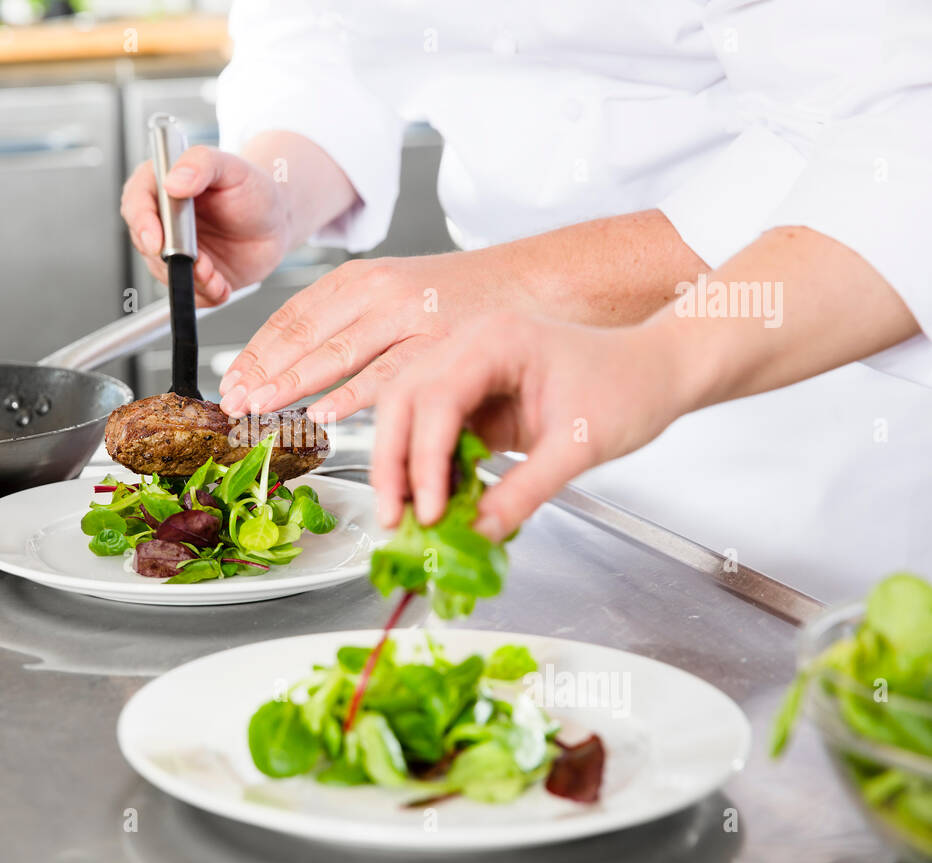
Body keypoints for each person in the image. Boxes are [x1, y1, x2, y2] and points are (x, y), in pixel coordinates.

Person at [121, 0, 932, 602]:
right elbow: (326, 34)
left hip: (801, 419)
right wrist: (281, 184)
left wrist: (532, 287)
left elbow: (902, 124)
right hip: (508, 426)